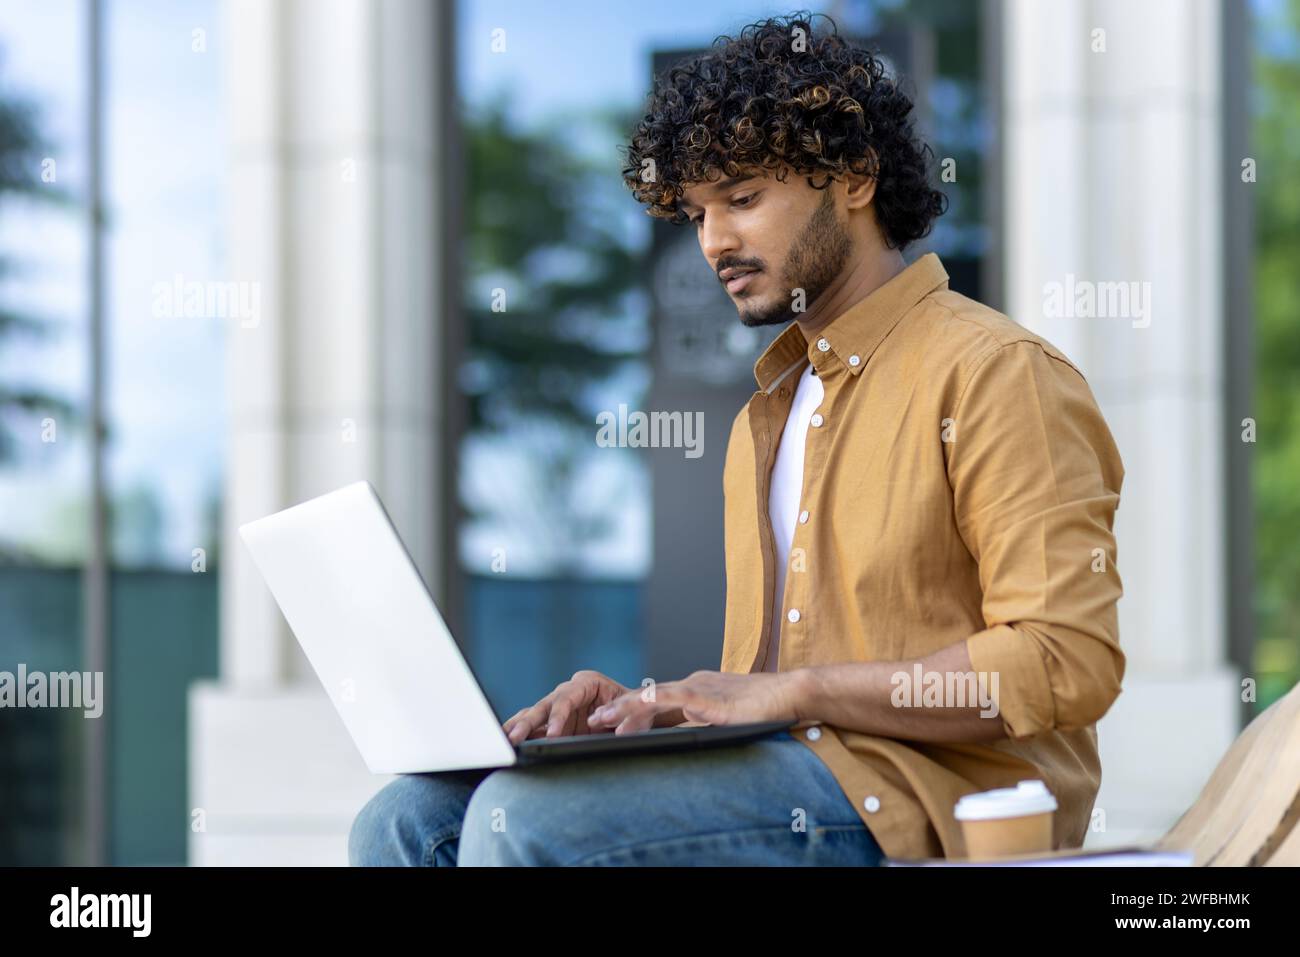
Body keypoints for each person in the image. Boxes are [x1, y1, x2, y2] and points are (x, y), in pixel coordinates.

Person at [349, 11, 1125, 867]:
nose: (714, 241)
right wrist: (653, 707)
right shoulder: (773, 409)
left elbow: (1065, 658)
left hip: (938, 802)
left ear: (855, 178)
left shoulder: (995, 370)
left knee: (525, 820)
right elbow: (760, 697)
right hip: (793, 775)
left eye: (744, 199)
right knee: (406, 818)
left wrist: (796, 691)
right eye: (694, 212)